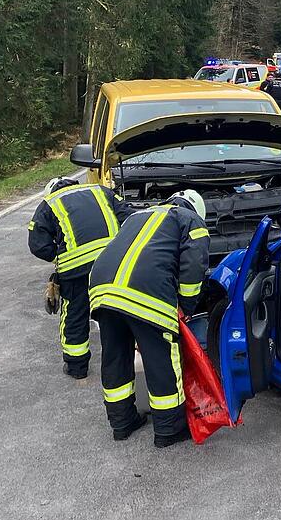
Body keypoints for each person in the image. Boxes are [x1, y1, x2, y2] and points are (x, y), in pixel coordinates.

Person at [89, 190, 210, 447]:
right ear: (196, 208)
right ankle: (169, 429)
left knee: (115, 357)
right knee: (162, 360)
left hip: (102, 288)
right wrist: (186, 305)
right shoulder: (189, 218)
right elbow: (195, 264)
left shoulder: (138, 216)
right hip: (146, 292)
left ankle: (122, 423)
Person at [28, 177, 134, 379]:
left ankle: (77, 368)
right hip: (112, 262)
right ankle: (127, 359)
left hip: (76, 270)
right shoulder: (101, 191)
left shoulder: (50, 203)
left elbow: (38, 244)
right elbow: (128, 217)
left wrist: (58, 255)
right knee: (119, 308)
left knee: (75, 314)